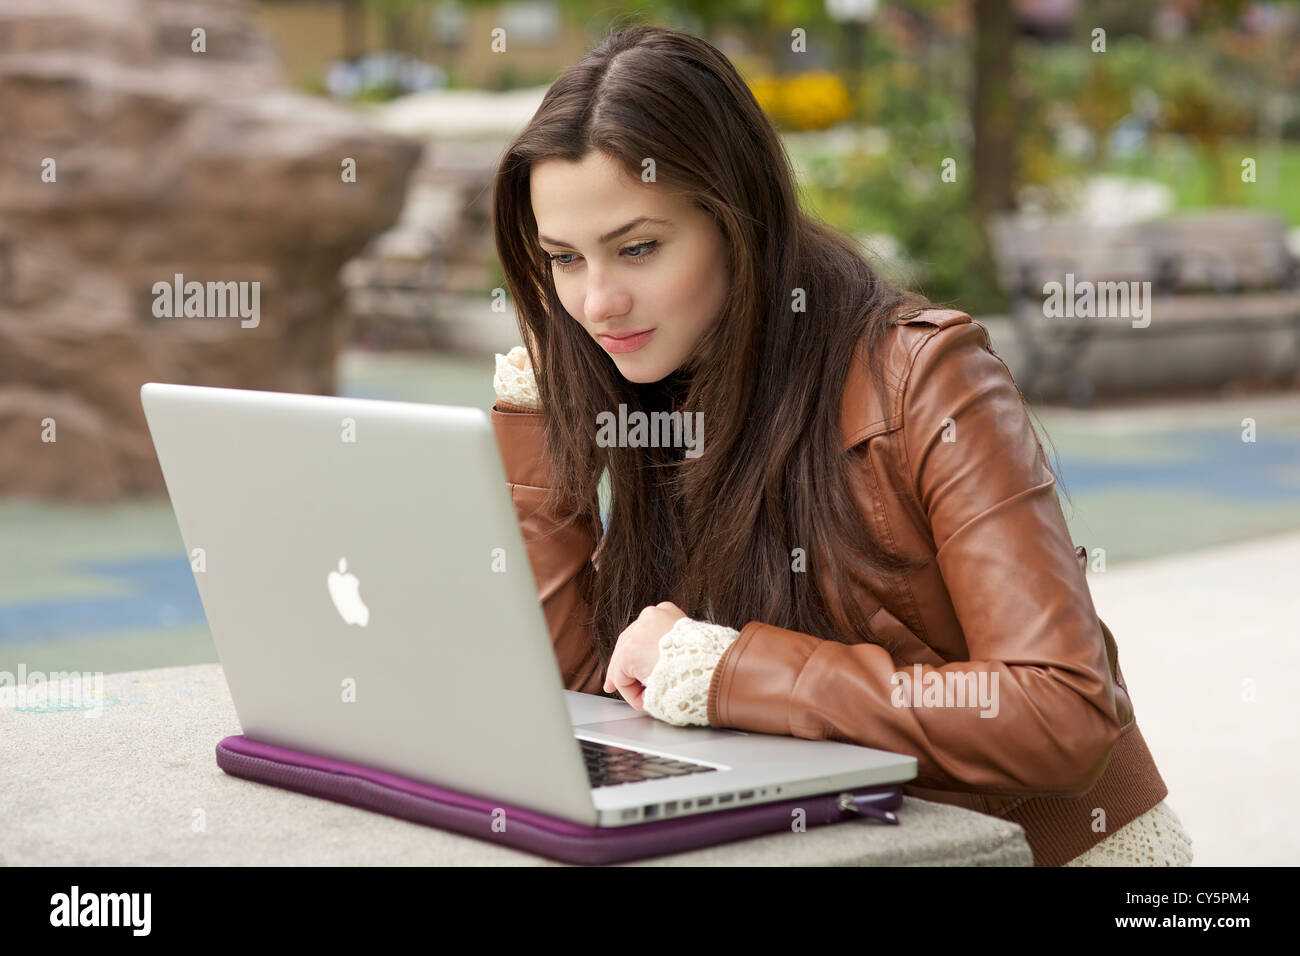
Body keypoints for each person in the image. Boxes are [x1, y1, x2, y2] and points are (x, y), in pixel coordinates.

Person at [486, 23, 1191, 867]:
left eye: (638, 248)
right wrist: (542, 430)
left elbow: (1062, 713)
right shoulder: (645, 385)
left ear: (735, 221)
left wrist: (733, 673)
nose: (597, 304)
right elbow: (581, 707)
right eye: (563, 259)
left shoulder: (926, 379)